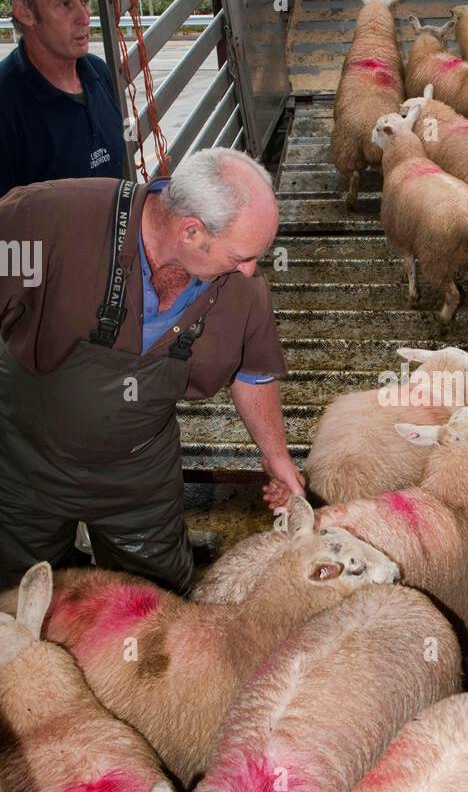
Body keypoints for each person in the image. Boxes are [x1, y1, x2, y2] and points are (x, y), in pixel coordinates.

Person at [0, 147, 304, 594]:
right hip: (23, 459)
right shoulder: (43, 220)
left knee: (154, 599)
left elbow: (251, 372)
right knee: (19, 594)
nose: (250, 269)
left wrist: (275, 457)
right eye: (241, 254)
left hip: (136, 470)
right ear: (191, 230)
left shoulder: (241, 291)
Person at [0, 0, 125, 197]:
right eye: (65, 4)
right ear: (24, 12)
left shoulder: (98, 73)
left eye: (85, 0)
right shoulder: (6, 103)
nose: (84, 16)